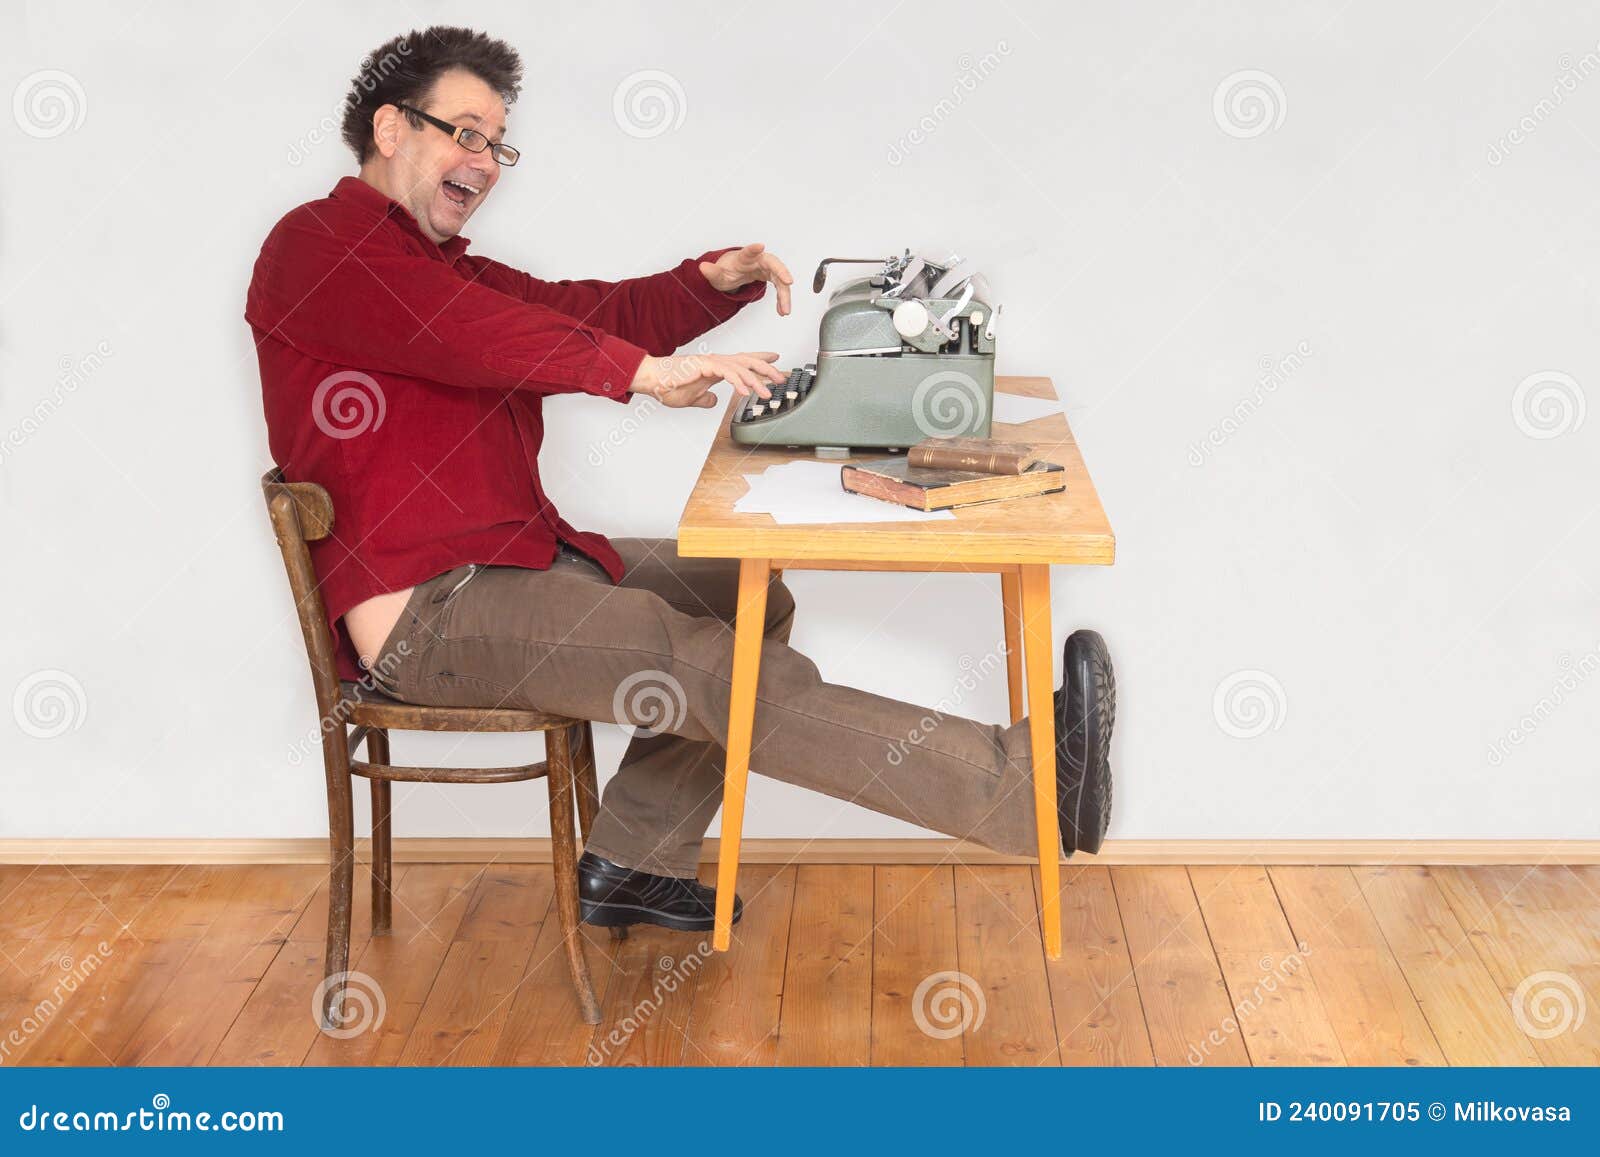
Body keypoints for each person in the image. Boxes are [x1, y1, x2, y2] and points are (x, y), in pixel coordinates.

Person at [248, 26, 1114, 934]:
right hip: (428, 614)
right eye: (466, 132)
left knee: (745, 589)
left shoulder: (438, 269)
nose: (487, 160)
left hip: (516, 563)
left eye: (497, 142)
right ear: (391, 129)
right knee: (703, 662)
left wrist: (706, 284)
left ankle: (631, 858)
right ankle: (1019, 793)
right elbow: (474, 335)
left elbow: (582, 310)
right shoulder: (317, 250)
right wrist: (638, 372)